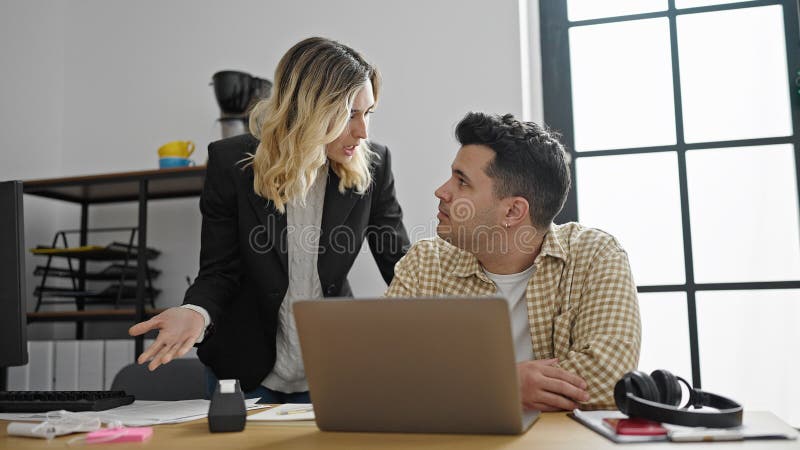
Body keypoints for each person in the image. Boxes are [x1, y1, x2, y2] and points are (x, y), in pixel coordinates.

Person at [129, 37, 410, 402]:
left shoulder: (374, 164)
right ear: (308, 109)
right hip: (245, 367)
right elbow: (219, 271)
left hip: (329, 368)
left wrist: (457, 316)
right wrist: (195, 312)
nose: (364, 131)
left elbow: (402, 267)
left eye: (368, 113)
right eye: (349, 114)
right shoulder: (232, 163)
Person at [385, 112, 640, 410]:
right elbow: (384, 371)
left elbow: (609, 378)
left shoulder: (596, 255)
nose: (441, 191)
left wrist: (451, 386)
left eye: (462, 182)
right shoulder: (424, 263)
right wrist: (501, 384)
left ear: (512, 212)